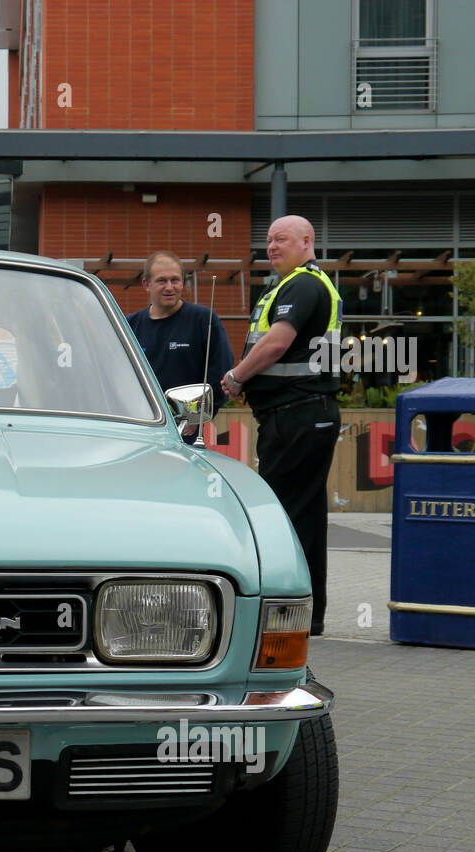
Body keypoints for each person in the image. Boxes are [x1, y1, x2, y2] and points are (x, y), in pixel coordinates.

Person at [221, 215, 342, 636]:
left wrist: (237, 376)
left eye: (282, 239)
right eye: (269, 240)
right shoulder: (293, 285)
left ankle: (288, 616)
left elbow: (277, 342)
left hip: (299, 414)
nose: (272, 247)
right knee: (302, 515)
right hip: (302, 415)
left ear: (307, 241)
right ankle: (307, 615)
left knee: (283, 515)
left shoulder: (303, 285)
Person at [127, 251, 234, 434]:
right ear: (146, 284)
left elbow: (220, 373)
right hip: (141, 427)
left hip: (186, 430)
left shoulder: (204, 320)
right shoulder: (130, 326)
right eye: (162, 281)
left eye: (175, 280)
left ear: (183, 282)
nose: (169, 287)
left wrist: (197, 418)